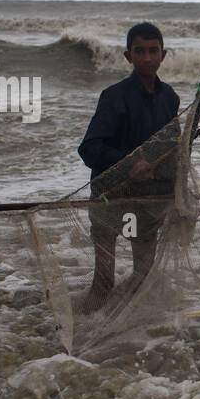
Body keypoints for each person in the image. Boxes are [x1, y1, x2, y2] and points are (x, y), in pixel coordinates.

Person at [76, 22, 181, 314]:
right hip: (109, 197)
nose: (147, 58)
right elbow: (89, 148)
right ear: (128, 57)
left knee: (143, 277)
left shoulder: (170, 98)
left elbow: (172, 151)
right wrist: (129, 163)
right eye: (139, 51)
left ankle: (131, 335)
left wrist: (177, 191)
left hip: (147, 200)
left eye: (153, 51)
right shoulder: (114, 97)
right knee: (104, 280)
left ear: (163, 54)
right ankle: (86, 331)